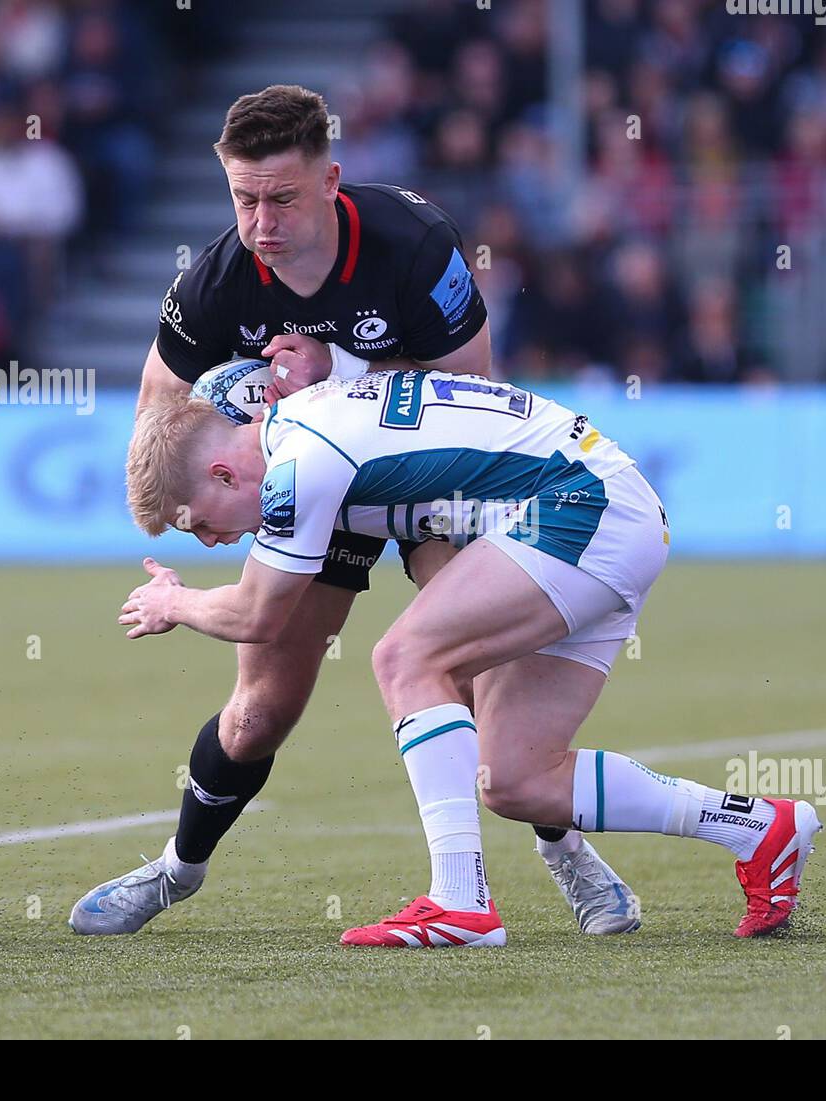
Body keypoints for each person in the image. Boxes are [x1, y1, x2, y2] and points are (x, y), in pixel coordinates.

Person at [69, 84, 639, 937]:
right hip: (306, 488)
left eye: (282, 197)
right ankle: (174, 873)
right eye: (244, 197)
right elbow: (162, 395)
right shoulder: (217, 278)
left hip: (422, 483)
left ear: (331, 179)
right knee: (261, 711)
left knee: (478, 676)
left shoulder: (413, 243)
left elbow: (474, 389)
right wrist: (194, 499)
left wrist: (337, 368)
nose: (261, 220)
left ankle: (569, 858)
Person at [114, 370, 824, 946]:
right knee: (515, 777)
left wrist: (172, 603)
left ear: (223, 473)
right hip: (599, 510)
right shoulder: (313, 420)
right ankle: (760, 829)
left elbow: (257, 614)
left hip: (577, 506)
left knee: (404, 658)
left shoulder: (298, 464)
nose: (210, 541)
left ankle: (460, 903)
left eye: (198, 522)